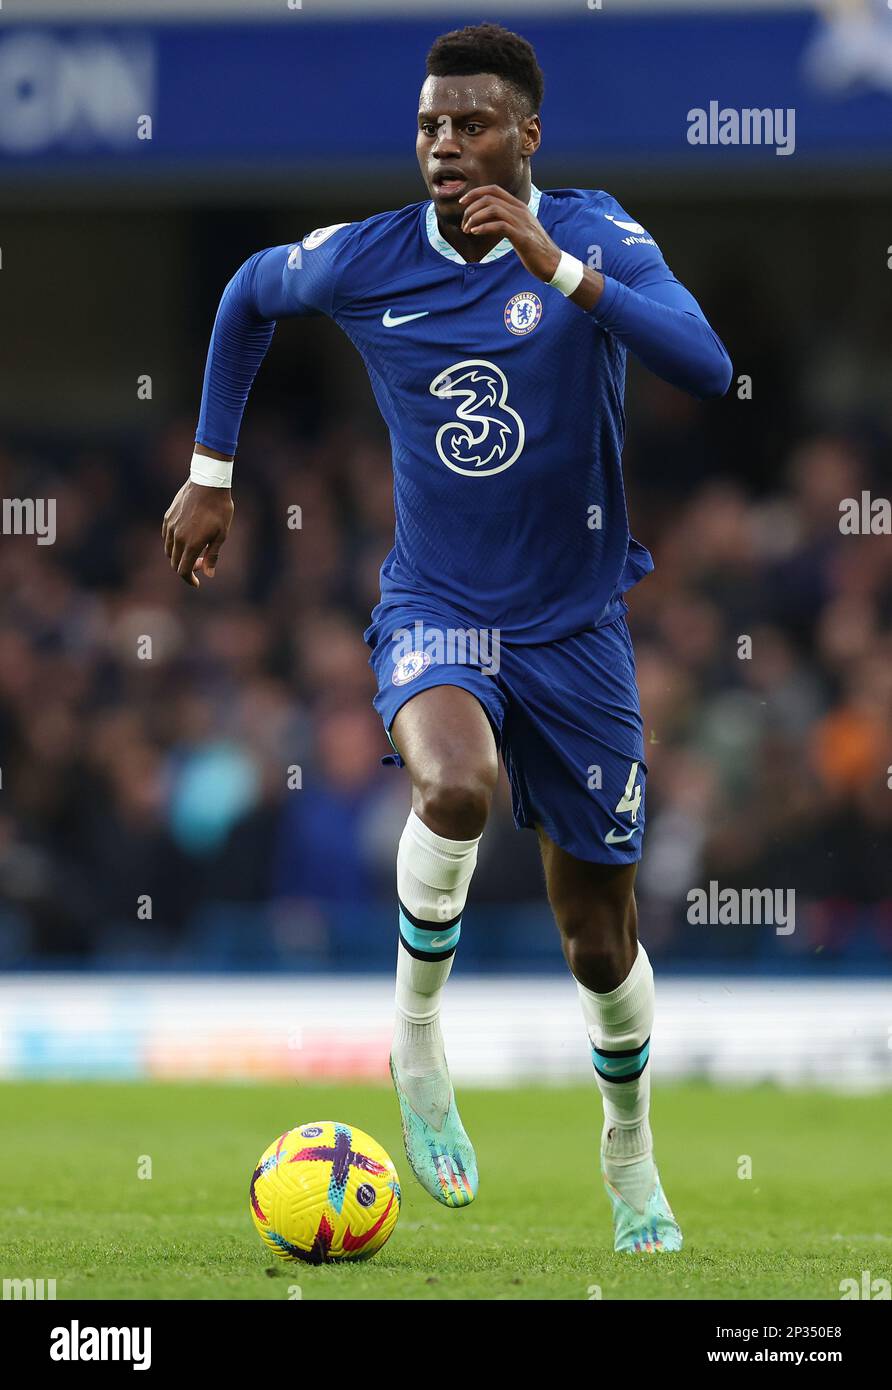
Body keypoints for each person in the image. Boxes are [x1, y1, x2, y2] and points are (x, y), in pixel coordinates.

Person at [162, 22, 732, 1253]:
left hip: (576, 628)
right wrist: (210, 469)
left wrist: (560, 270)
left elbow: (706, 362)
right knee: (458, 788)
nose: (443, 145)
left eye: (470, 123)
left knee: (599, 941)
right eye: (428, 125)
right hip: (439, 606)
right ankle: (416, 1037)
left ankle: (626, 1144)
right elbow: (246, 294)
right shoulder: (368, 259)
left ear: (528, 134)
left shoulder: (592, 233)